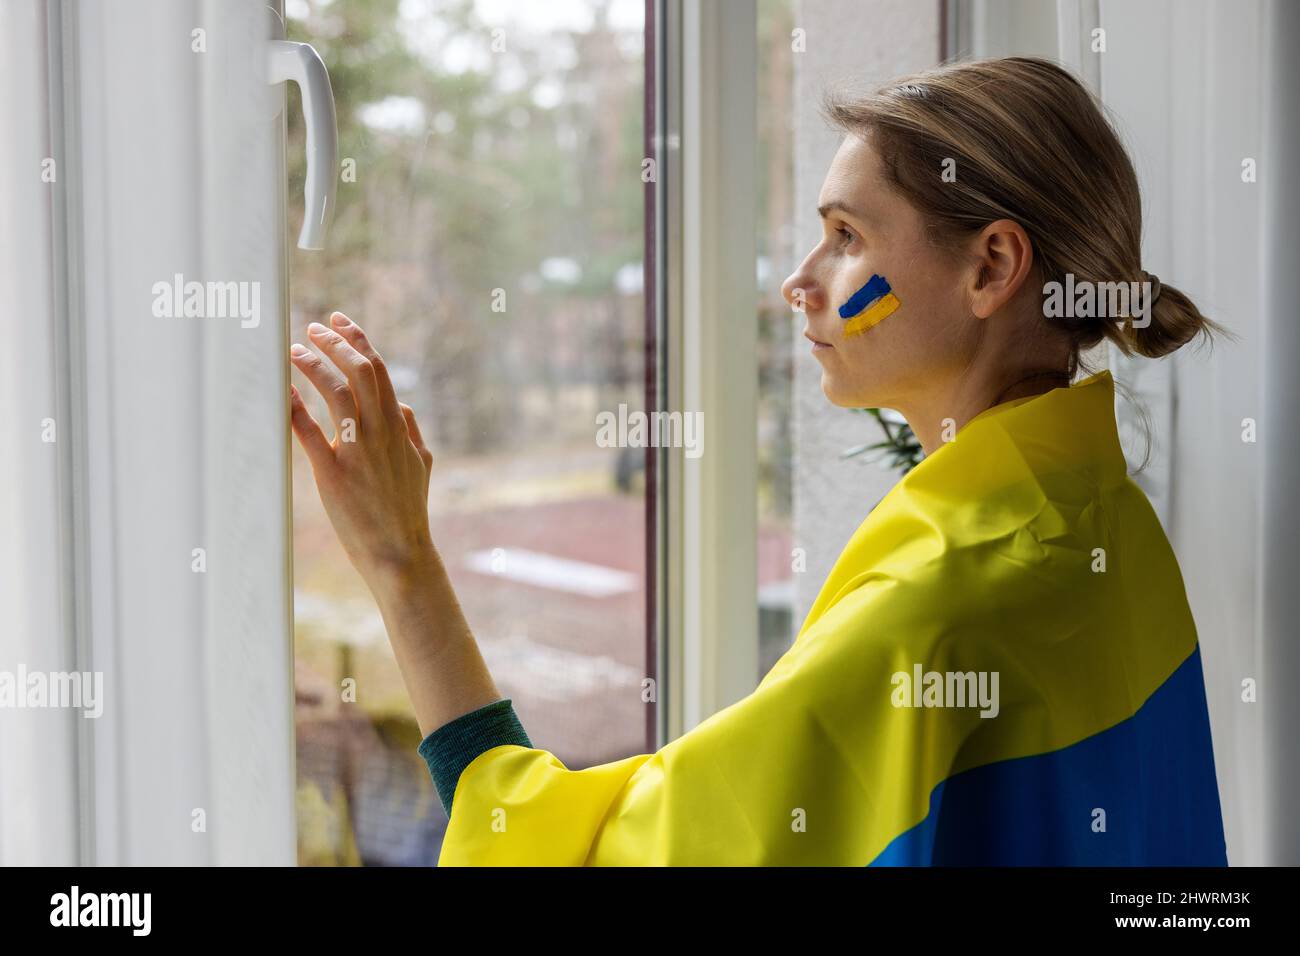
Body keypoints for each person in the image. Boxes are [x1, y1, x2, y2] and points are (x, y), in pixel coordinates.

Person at [288, 57, 1228, 866]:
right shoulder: (1103, 520)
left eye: (847, 237)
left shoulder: (937, 610)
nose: (802, 280)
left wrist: (402, 563)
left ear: (990, 268)